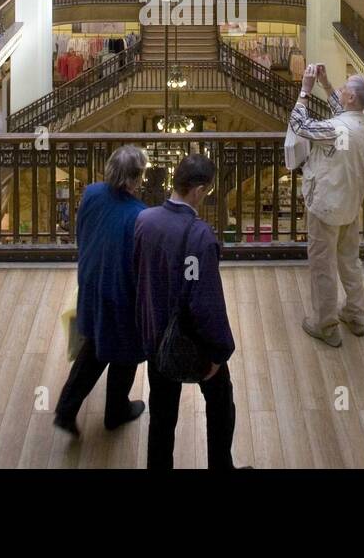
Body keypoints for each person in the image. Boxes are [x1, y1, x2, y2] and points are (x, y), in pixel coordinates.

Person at [133, 154, 241, 470]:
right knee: (221, 405)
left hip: (156, 336)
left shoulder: (145, 220)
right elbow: (203, 302)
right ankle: (221, 466)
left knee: (162, 414)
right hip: (193, 342)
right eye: (207, 191)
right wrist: (220, 352)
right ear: (197, 190)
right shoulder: (200, 236)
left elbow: (139, 273)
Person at [53, 145, 150, 437]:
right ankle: (116, 410)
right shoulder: (139, 215)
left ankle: (66, 409)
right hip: (121, 293)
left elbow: (83, 234)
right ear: (134, 179)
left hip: (92, 282)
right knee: (126, 351)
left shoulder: (92, 193)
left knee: (94, 348)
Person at [289, 65, 364, 347]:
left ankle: (325, 324)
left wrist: (305, 90)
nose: (340, 89)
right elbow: (343, 114)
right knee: (349, 261)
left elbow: (300, 126)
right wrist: (326, 85)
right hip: (351, 203)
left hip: (326, 205)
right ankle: (355, 313)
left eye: (344, 88)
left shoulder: (337, 129)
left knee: (322, 265)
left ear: (352, 98)